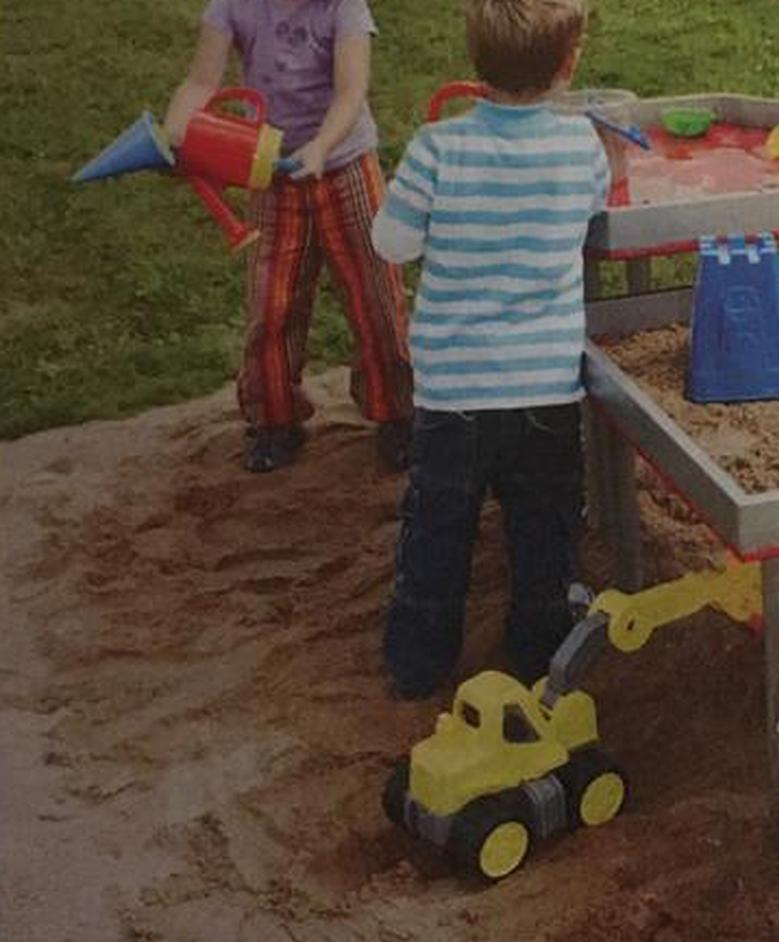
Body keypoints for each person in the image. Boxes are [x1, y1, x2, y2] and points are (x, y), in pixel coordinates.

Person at [372, 0, 609, 699]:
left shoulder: (438, 148)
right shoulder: (580, 148)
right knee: (544, 528)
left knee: (438, 529)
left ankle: (417, 662)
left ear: (475, 62)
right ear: (570, 63)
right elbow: (596, 208)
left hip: (454, 392)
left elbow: (392, 243)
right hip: (543, 389)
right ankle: (538, 651)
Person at [165, 0, 414, 473]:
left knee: (377, 297)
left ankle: (399, 413)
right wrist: (176, 132)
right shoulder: (232, 6)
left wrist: (321, 145)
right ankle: (274, 420)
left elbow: (351, 90)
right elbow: (201, 82)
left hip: (346, 167)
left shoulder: (345, 8)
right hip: (272, 171)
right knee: (271, 304)